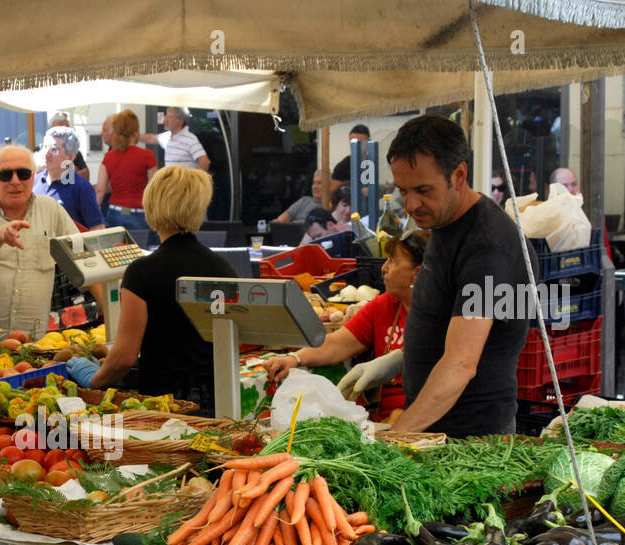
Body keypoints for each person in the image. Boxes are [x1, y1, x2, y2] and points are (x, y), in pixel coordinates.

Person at [375, 114, 535, 437]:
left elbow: (461, 364)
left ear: (459, 175)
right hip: (434, 428)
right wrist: (399, 360)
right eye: (403, 191)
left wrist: (396, 436)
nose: (411, 204)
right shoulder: (445, 222)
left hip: (471, 441)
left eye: (423, 190)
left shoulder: (488, 248)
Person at [67, 166, 235, 415]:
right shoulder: (223, 267)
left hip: (164, 406)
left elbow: (124, 357)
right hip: (215, 401)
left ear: (151, 205)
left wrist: (93, 378)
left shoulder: (142, 272)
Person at [265, 229, 429, 423]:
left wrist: (407, 418)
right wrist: (295, 358)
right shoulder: (385, 305)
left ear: (416, 274)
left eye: (393, 261)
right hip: (387, 421)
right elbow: (338, 343)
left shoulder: (441, 315)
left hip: (425, 418)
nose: (384, 268)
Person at [0, 145, 77, 336]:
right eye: (6, 175)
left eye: (23, 174)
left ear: (33, 176)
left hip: (36, 343)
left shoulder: (51, 209)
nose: (15, 181)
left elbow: (82, 258)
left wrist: (111, 315)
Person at [96, 110, 157, 234]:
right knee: (141, 245)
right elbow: (153, 189)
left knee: (117, 246)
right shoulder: (147, 156)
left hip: (115, 211)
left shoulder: (109, 156)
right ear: (135, 131)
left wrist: (94, 214)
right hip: (140, 212)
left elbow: (100, 189)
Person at [34, 127, 104, 229]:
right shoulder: (34, 181)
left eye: (54, 149)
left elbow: (97, 228)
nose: (46, 153)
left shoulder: (82, 188)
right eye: (44, 147)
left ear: (70, 157)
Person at [140, 107, 210, 172]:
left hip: (185, 181)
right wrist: (134, 135)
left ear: (181, 121)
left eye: (170, 117)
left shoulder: (190, 139)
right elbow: (150, 138)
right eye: (166, 116)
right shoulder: (167, 136)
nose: (166, 120)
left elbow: (205, 162)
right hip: (171, 181)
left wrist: (195, 179)